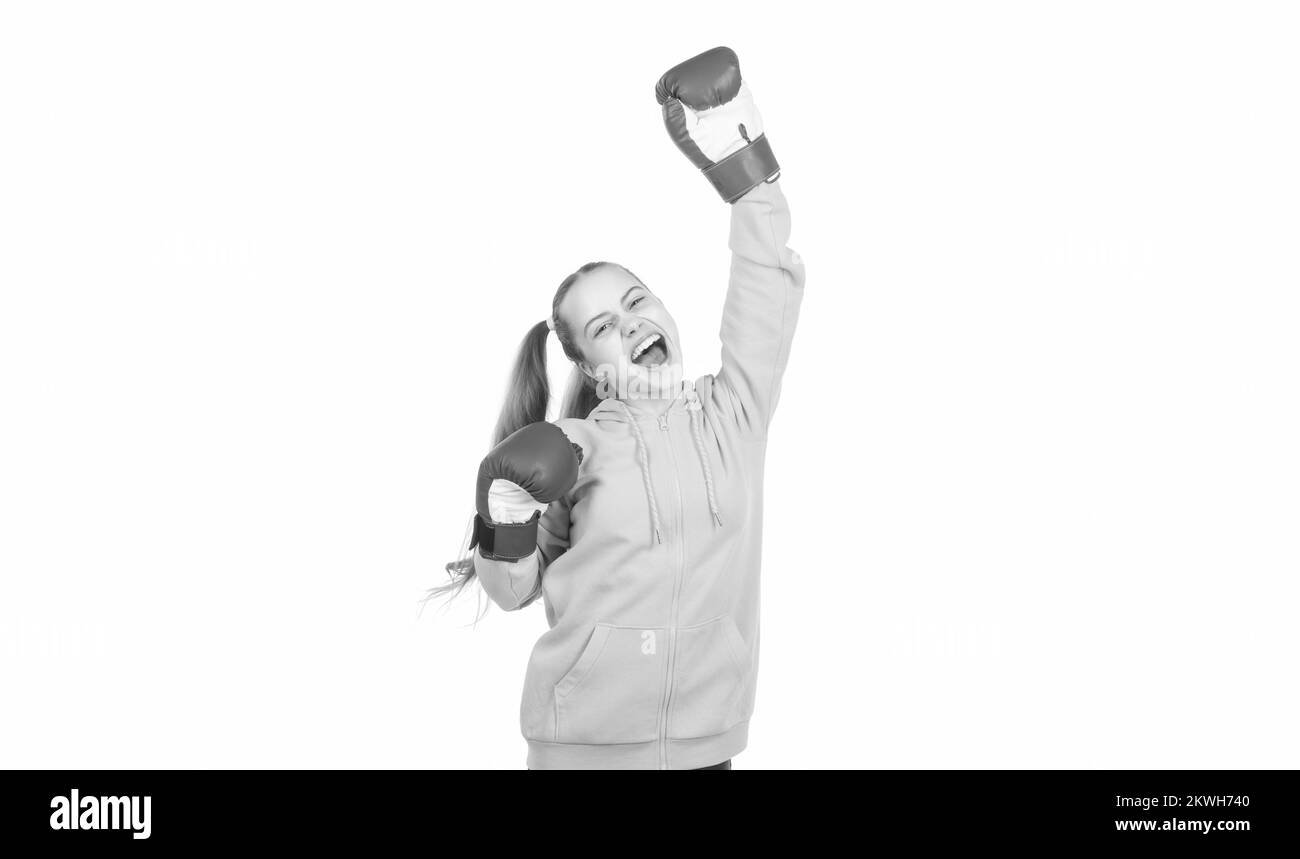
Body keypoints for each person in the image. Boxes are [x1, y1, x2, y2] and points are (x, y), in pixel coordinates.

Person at [429, 46, 805, 770]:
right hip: (581, 749)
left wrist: (740, 159)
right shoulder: (572, 449)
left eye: (636, 302)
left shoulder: (734, 414)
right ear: (591, 370)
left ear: (664, 310)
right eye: (602, 326)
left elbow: (769, 285)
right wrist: (504, 516)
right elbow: (512, 590)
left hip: (707, 743)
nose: (629, 324)